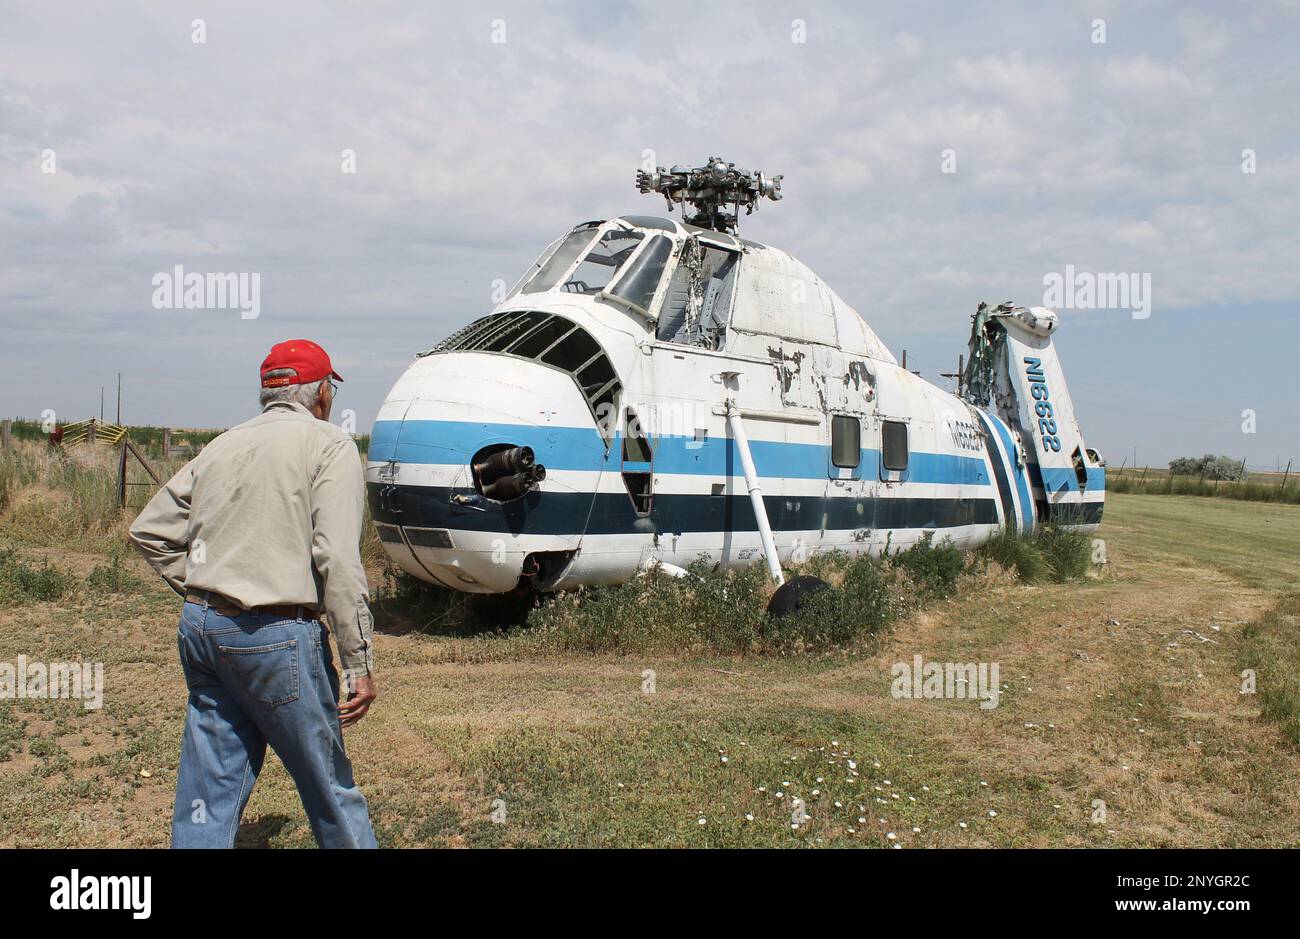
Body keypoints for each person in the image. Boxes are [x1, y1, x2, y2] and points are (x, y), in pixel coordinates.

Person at [129, 338, 378, 848]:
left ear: (269, 392)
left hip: (202, 628)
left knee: (210, 786)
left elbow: (151, 530)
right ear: (323, 395)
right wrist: (358, 661)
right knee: (328, 785)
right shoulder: (330, 446)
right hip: (276, 637)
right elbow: (337, 560)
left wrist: (206, 580)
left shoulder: (222, 444)